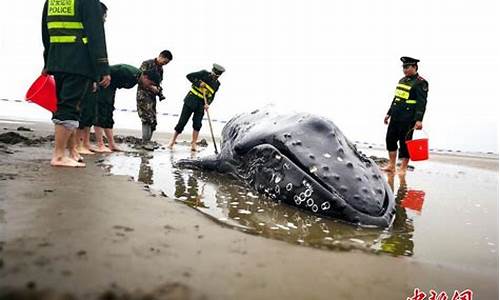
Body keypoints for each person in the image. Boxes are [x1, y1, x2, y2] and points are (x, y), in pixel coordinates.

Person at [42, 0, 110, 167]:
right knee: (70, 107)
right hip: (79, 61)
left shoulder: (51, 1)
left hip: (57, 59)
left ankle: (72, 150)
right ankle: (59, 156)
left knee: (66, 105)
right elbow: (96, 34)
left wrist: (47, 62)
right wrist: (102, 67)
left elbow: (45, 33)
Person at [93, 65, 162, 152]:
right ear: (145, 77)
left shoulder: (137, 79)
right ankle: (100, 144)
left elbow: (115, 83)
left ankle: (112, 144)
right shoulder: (128, 73)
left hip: (111, 88)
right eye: (150, 83)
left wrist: (152, 87)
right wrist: (95, 81)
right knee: (100, 112)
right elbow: (107, 70)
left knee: (108, 114)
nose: (150, 86)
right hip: (102, 84)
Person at [383, 56, 429, 175]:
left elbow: (422, 103)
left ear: (414, 67)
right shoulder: (402, 80)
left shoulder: (421, 82)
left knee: (405, 143)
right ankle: (392, 165)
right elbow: (396, 98)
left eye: (407, 67)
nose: (404, 69)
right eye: (403, 67)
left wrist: (419, 120)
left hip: (408, 118)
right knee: (390, 139)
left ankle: (403, 168)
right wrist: (389, 113)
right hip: (396, 116)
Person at [167, 64, 225, 152]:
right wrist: (198, 83)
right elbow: (189, 76)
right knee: (182, 122)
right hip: (191, 100)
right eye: (213, 75)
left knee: (197, 124)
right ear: (212, 71)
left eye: (216, 76)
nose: (214, 77)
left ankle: (193, 143)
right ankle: (173, 140)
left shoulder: (217, 84)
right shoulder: (204, 73)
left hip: (202, 104)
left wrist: (208, 103)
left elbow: (212, 96)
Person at [76, 2, 108, 156]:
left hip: (92, 75)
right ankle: (77, 145)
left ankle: (86, 143)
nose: (105, 20)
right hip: (84, 74)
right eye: (104, 16)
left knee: (89, 112)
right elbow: (92, 54)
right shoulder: (87, 30)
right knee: (81, 111)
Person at [136, 50, 172, 148]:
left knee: (153, 120)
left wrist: (158, 90)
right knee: (146, 118)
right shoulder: (147, 63)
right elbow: (139, 78)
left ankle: (148, 141)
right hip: (143, 94)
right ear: (160, 56)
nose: (165, 64)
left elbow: (158, 83)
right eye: (165, 62)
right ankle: (145, 142)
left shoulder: (160, 69)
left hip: (152, 96)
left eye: (167, 63)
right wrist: (151, 87)